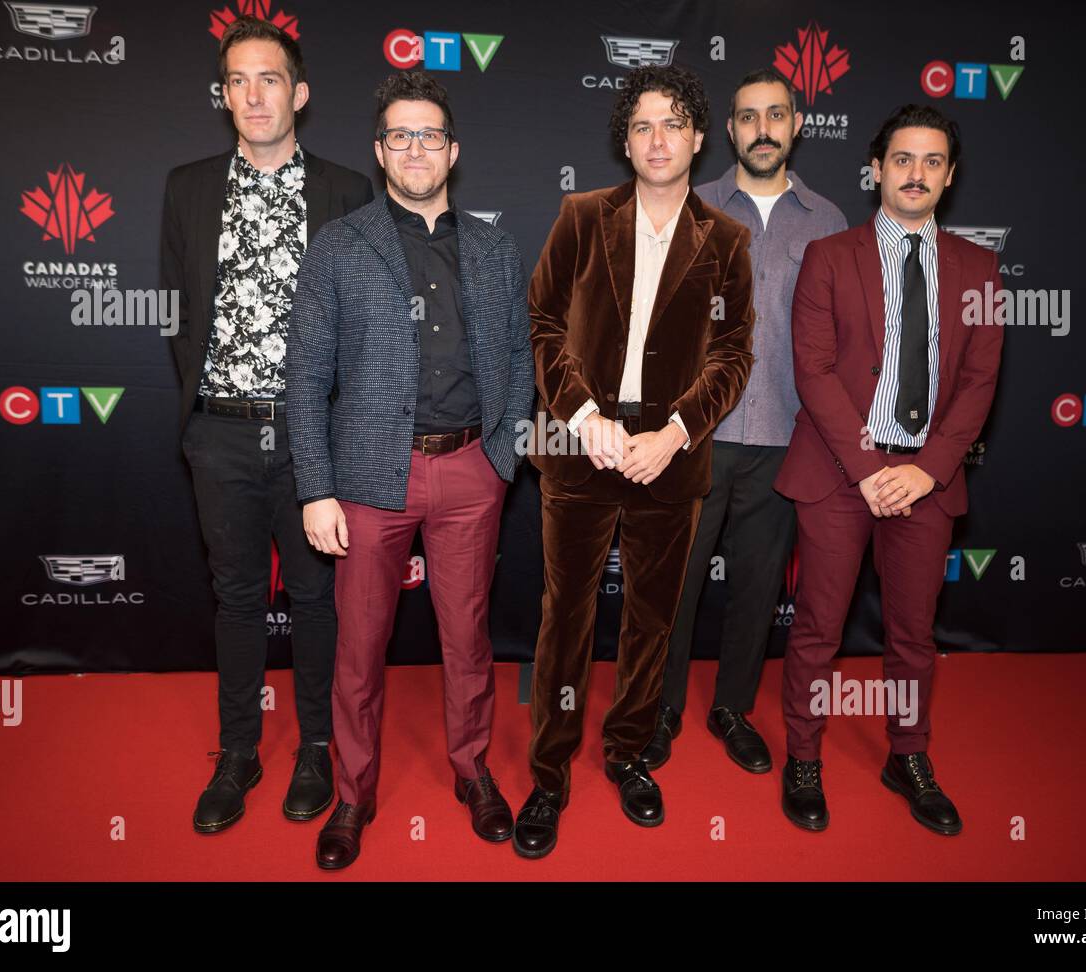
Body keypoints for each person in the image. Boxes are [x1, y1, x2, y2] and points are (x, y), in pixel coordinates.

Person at [285, 71, 535, 870]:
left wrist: (503, 457)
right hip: (365, 480)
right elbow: (304, 377)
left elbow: (521, 361)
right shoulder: (340, 245)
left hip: (470, 470)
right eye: (401, 135)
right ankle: (354, 795)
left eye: (430, 134)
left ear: (453, 151)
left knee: (467, 639)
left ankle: (473, 771)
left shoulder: (495, 248)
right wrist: (317, 487)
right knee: (359, 649)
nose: (416, 147)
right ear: (380, 150)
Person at [514, 64, 756, 859]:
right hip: (580, 453)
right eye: (643, 125)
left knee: (654, 623)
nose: (658, 139)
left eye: (673, 124)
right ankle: (549, 774)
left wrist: (677, 432)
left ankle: (627, 753)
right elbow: (545, 321)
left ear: (697, 138)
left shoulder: (726, 241)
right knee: (567, 620)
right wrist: (580, 416)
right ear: (627, 139)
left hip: (669, 460)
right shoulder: (582, 217)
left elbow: (732, 355)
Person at [159, 15, 372, 836]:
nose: (253, 94)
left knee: (318, 597)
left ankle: (316, 747)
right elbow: (177, 313)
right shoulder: (186, 187)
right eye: (239, 81)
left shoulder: (348, 191)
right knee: (238, 596)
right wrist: (204, 410)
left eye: (270, 78)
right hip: (219, 433)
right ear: (223, 95)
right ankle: (239, 751)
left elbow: (365, 322)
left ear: (301, 93)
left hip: (312, 438)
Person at [776, 104, 1004, 836]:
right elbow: (811, 369)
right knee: (817, 629)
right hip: (842, 474)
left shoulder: (979, 268)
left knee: (913, 635)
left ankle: (906, 755)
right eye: (903, 159)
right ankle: (804, 758)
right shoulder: (829, 256)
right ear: (876, 169)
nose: (916, 174)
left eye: (932, 161)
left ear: (950, 175)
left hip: (927, 485)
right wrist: (870, 467)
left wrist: (930, 470)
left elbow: (978, 384)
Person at [642, 67, 847, 775]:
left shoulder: (829, 222)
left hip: (788, 439)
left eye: (777, 115)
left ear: (796, 125)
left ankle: (732, 707)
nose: (763, 128)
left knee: (758, 587)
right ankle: (661, 707)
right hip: (690, 438)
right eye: (748, 117)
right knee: (675, 585)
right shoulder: (686, 207)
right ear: (728, 131)